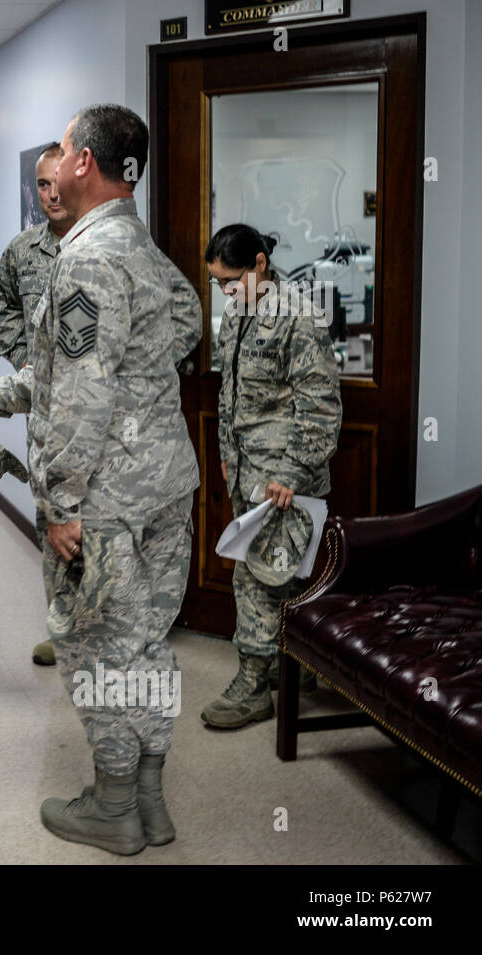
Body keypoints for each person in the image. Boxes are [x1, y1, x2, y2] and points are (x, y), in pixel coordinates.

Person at [29, 104, 202, 855]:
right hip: (167, 481)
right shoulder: (139, 244)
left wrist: (60, 500)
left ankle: (112, 806)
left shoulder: (85, 256)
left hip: (105, 500)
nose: (59, 159)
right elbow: (187, 325)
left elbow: (82, 392)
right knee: (150, 642)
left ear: (83, 163)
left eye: (64, 147)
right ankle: (152, 804)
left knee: (98, 649)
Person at [201, 224, 341, 729]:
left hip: (284, 479)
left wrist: (291, 471)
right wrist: (224, 453)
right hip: (247, 471)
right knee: (278, 574)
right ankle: (295, 669)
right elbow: (228, 392)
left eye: (231, 280)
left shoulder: (298, 316)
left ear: (260, 263)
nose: (226, 292)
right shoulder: (238, 313)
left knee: (258, 577)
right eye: (218, 284)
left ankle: (254, 684)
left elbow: (321, 404)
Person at [0, 142, 75, 667]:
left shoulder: (103, 244)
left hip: (100, 418)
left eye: (57, 181)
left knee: (98, 519)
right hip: (43, 413)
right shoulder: (23, 250)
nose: (51, 193)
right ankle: (62, 626)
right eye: (41, 184)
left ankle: (103, 633)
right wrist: (22, 357)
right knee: (53, 517)